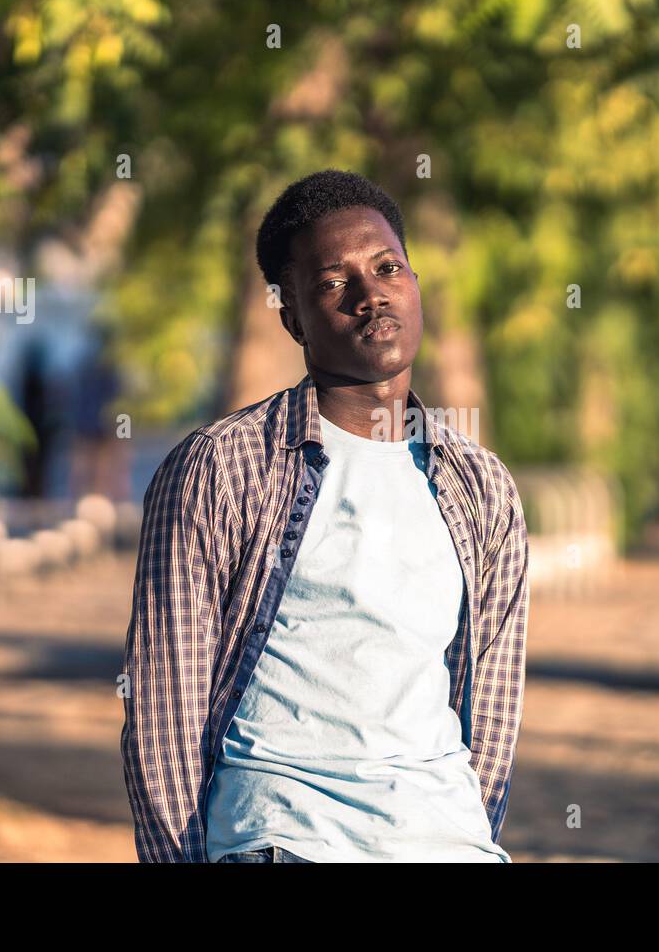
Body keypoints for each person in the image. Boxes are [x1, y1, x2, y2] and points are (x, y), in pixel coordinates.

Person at [120, 169, 529, 863]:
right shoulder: (220, 469)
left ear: (415, 283)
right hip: (283, 840)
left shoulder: (482, 488)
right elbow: (164, 714)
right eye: (334, 283)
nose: (371, 295)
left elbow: (491, 712)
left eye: (387, 267)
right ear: (293, 317)